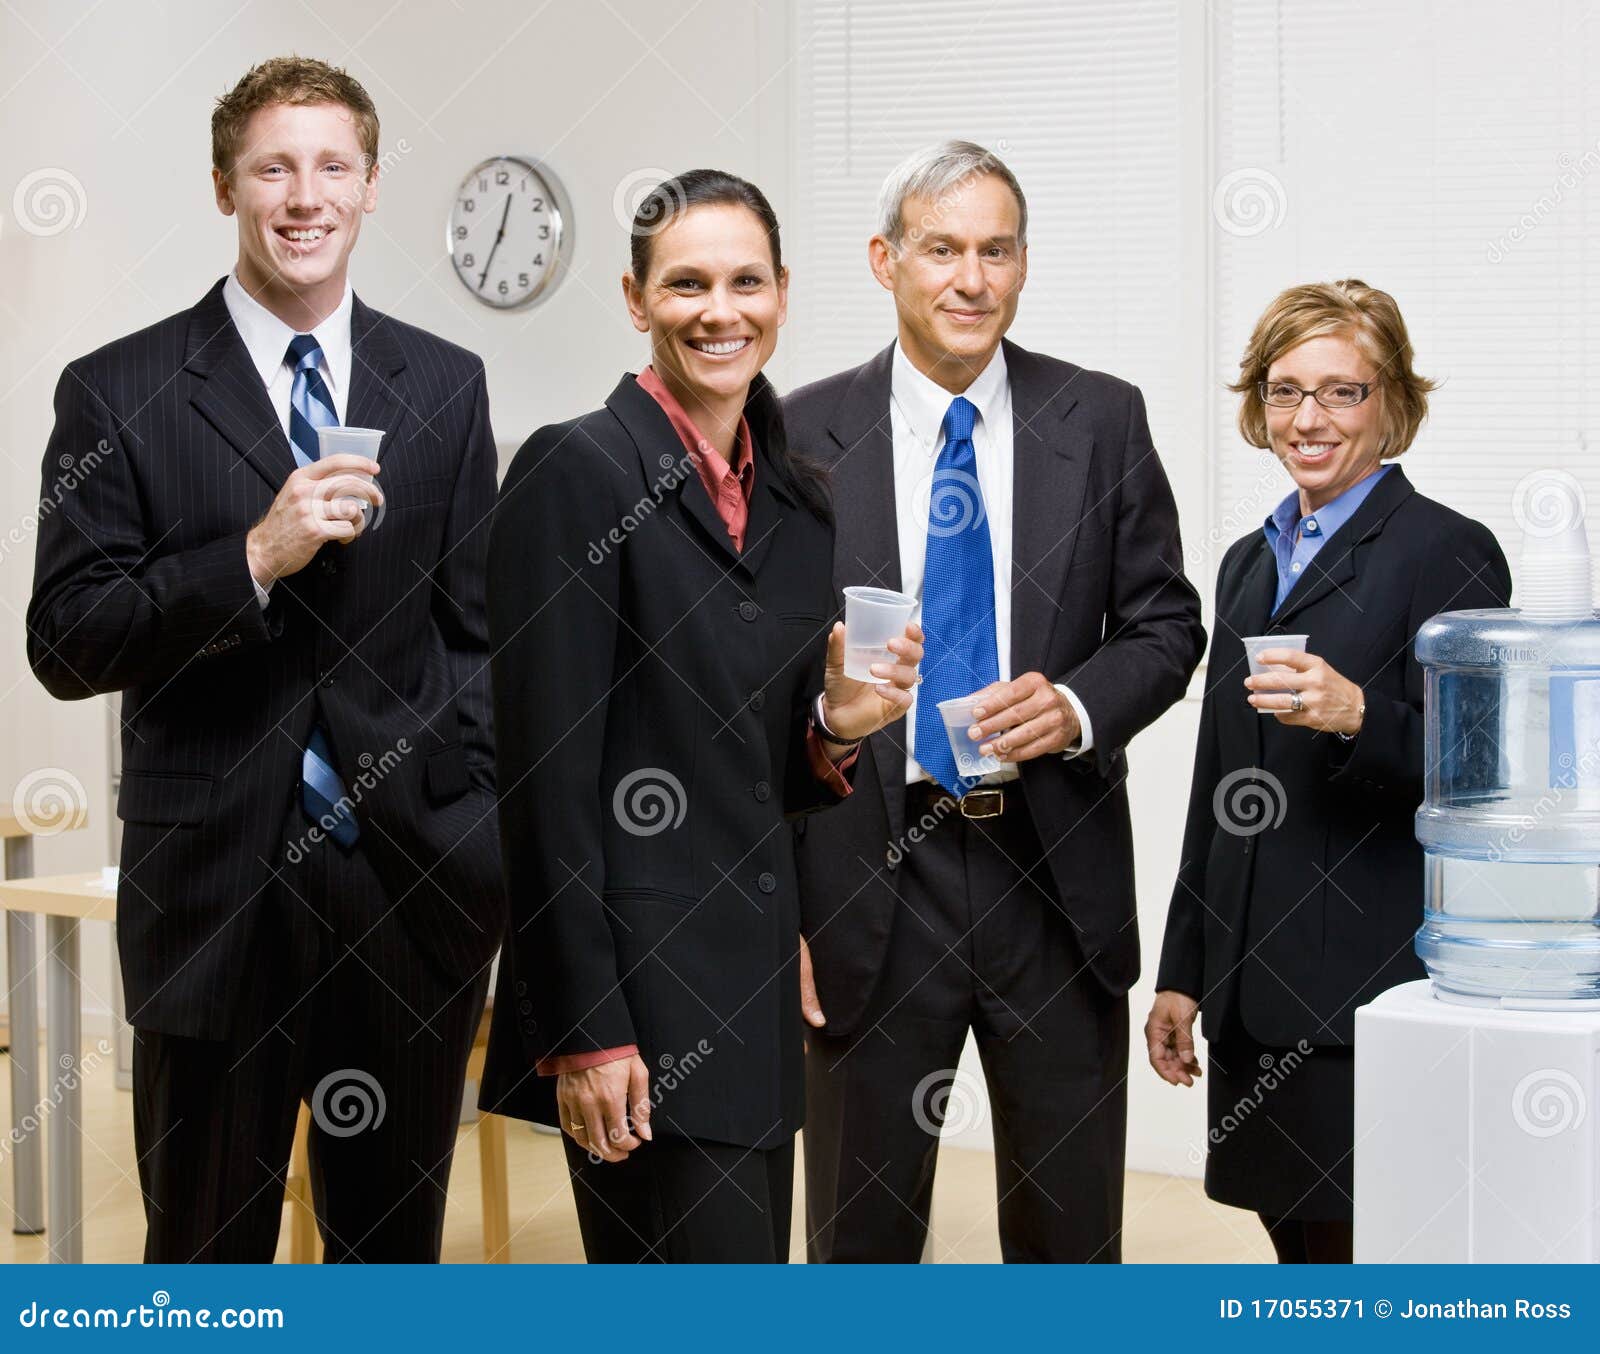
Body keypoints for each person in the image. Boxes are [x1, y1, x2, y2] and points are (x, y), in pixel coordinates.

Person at [25, 57, 505, 1262]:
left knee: (390, 1257)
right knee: (203, 1260)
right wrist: (250, 555)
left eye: (332, 166)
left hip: (405, 897)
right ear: (225, 186)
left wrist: (472, 825)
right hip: (214, 899)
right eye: (273, 168)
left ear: (371, 185)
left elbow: (482, 637)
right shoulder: (120, 390)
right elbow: (65, 639)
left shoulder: (445, 386)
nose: (305, 195)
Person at [477, 170, 922, 1264]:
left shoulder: (796, 499)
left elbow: (761, 761)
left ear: (781, 294)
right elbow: (543, 780)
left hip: (755, 996)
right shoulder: (575, 470)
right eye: (685, 284)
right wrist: (585, 1030)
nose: (719, 310)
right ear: (635, 299)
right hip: (634, 1005)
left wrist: (839, 722)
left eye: (744, 281)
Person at [785, 141, 1205, 1263]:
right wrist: (777, 905)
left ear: (1022, 264)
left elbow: (1168, 622)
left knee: (1070, 1247)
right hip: (870, 883)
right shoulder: (794, 434)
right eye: (942, 249)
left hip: (1050, 879)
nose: (971, 279)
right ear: (886, 260)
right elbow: (750, 689)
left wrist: (1075, 703)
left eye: (997, 250)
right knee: (857, 1241)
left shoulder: (1101, 418)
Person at [1147, 279, 1513, 1264]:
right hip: (1250, 991)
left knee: (1362, 1251)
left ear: (1392, 403)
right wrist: (1183, 973)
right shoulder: (1243, 565)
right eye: (1283, 390)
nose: (1307, 418)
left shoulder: (1448, 550)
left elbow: (1483, 774)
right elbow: (1219, 782)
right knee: (1298, 1248)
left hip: (1361, 992)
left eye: (1341, 392)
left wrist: (1359, 714)